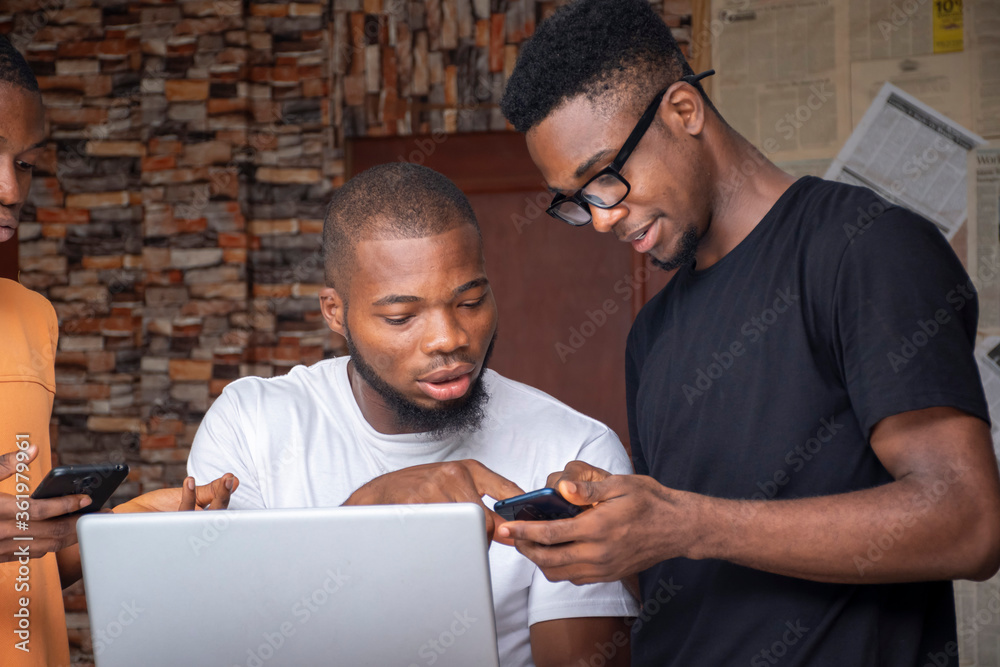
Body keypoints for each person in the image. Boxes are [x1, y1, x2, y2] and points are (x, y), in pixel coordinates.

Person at [495, 1, 1000, 665]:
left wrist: (689, 522)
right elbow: (684, 568)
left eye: (606, 179)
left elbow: (967, 521)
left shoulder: (865, 250)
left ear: (684, 111)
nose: (599, 219)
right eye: (575, 200)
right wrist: (611, 530)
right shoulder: (651, 334)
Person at [187, 162, 638, 667]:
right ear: (335, 312)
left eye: (470, 301)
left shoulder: (574, 449)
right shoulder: (251, 424)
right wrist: (365, 513)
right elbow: (219, 644)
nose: (450, 339)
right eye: (402, 317)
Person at [0, 34, 236, 667]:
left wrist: (127, 524)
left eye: (24, 163)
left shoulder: (31, 318)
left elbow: (27, 561)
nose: (11, 190)